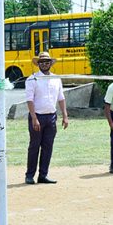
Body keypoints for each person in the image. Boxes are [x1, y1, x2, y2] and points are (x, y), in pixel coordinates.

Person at [24, 51, 68, 184]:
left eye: (47, 62)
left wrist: (65, 115)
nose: (44, 64)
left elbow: (61, 98)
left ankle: (43, 175)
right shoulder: (32, 79)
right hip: (37, 116)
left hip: (51, 117)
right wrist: (34, 118)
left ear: (50, 64)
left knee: (48, 146)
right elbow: (29, 100)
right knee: (34, 146)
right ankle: (30, 175)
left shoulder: (56, 79)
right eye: (42, 62)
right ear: (38, 64)